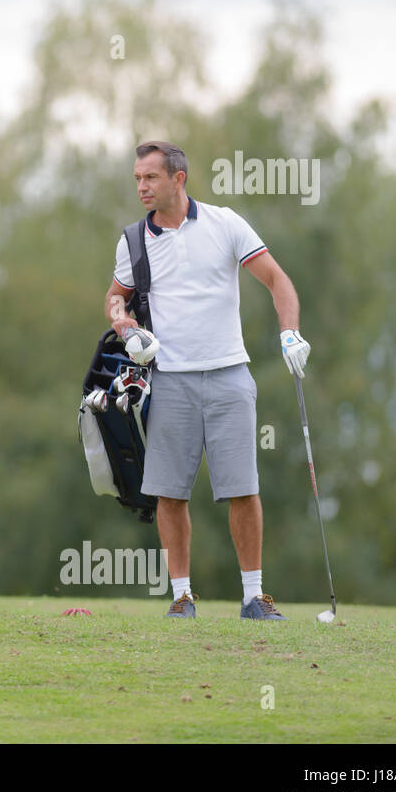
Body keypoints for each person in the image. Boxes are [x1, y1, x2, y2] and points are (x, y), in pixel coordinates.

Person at [104, 142, 312, 620]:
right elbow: (115, 299)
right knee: (170, 493)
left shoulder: (225, 224)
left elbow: (278, 282)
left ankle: (253, 598)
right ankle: (182, 597)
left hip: (229, 375)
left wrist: (290, 332)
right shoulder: (134, 241)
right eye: (137, 178)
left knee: (243, 488)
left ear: (178, 180)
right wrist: (123, 324)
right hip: (169, 380)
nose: (141, 187)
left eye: (150, 178)